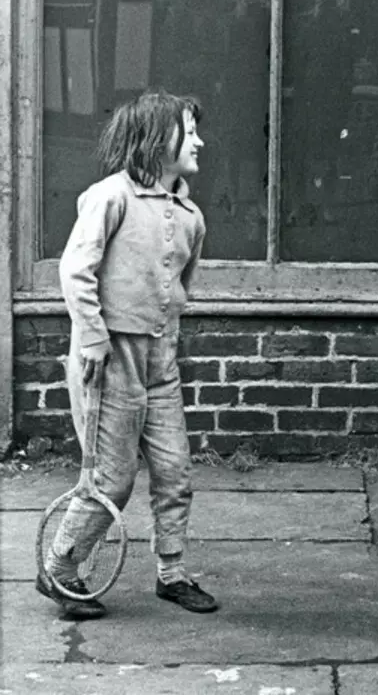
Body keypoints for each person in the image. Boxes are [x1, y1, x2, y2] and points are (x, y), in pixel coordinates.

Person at [42, 91, 217, 620]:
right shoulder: (110, 196)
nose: (200, 141)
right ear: (155, 138)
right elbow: (76, 271)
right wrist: (93, 337)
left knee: (174, 471)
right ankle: (61, 569)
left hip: (160, 361)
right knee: (111, 477)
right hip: (107, 359)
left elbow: (180, 285)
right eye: (189, 132)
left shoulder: (190, 216)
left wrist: (162, 339)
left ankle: (172, 573)